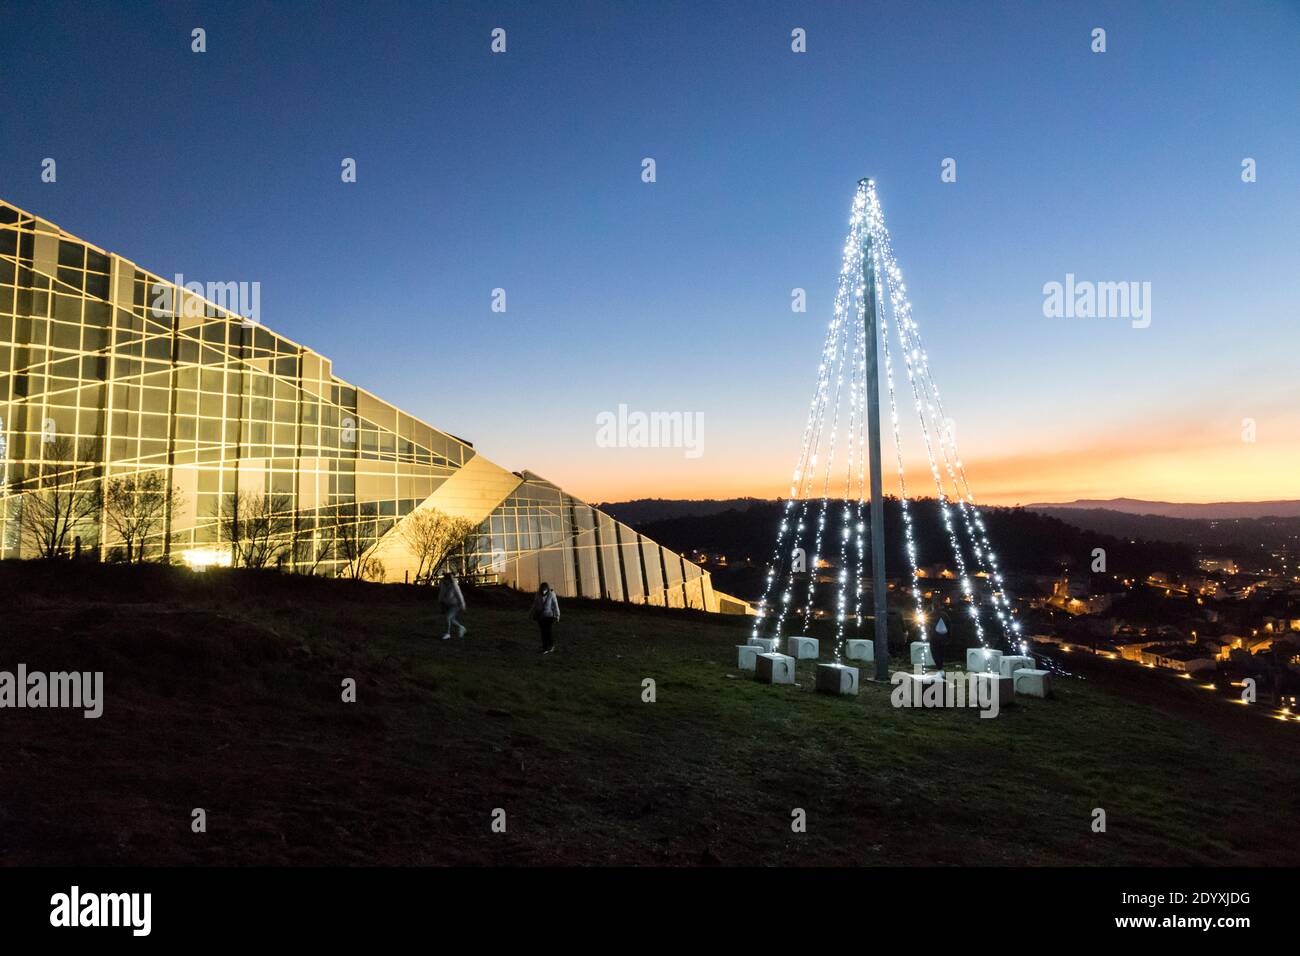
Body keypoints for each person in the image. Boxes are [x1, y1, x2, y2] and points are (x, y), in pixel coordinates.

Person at [530, 581, 561, 655]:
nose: (544, 591)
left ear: (547, 588)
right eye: (543, 589)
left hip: (549, 616)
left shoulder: (551, 594)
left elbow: (555, 605)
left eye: (545, 589)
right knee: (543, 632)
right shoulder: (537, 594)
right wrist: (530, 613)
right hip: (541, 616)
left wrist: (557, 615)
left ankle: (548, 647)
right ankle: (547, 647)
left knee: (548, 631)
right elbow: (534, 605)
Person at [438, 572, 467, 640]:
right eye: (444, 580)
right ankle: (461, 627)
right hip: (446, 604)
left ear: (449, 580)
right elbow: (441, 594)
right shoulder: (443, 584)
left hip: (455, 605)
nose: (445, 581)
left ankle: (447, 634)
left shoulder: (454, 586)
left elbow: (459, 595)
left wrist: (463, 604)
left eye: (446, 580)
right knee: (451, 619)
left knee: (448, 618)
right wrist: (440, 602)